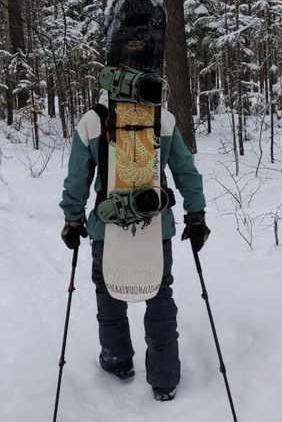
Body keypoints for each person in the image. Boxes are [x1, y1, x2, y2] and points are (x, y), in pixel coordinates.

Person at [59, 99, 209, 401]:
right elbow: (185, 171)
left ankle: (118, 360)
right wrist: (196, 215)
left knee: (108, 289)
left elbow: (78, 177)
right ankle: (164, 378)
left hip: (107, 226)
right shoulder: (162, 118)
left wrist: (73, 218)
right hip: (155, 228)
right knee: (160, 292)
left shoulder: (92, 120)